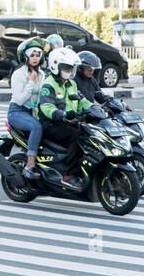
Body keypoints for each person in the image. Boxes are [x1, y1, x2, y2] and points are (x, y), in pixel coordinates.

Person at [35, 46, 93, 156]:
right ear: (56, 66)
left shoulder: (72, 84)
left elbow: (82, 101)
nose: (69, 71)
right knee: (77, 137)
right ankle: (70, 171)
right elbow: (47, 108)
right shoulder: (48, 85)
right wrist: (64, 114)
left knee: (90, 133)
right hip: (51, 124)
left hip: (69, 122)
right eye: (66, 68)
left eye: (71, 68)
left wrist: (99, 109)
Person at [8, 38, 46, 179]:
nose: (35, 58)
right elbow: (19, 99)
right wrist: (30, 82)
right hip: (17, 111)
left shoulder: (42, 74)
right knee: (36, 127)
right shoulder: (19, 74)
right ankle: (30, 166)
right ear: (26, 57)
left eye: (38, 55)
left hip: (34, 112)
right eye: (32, 55)